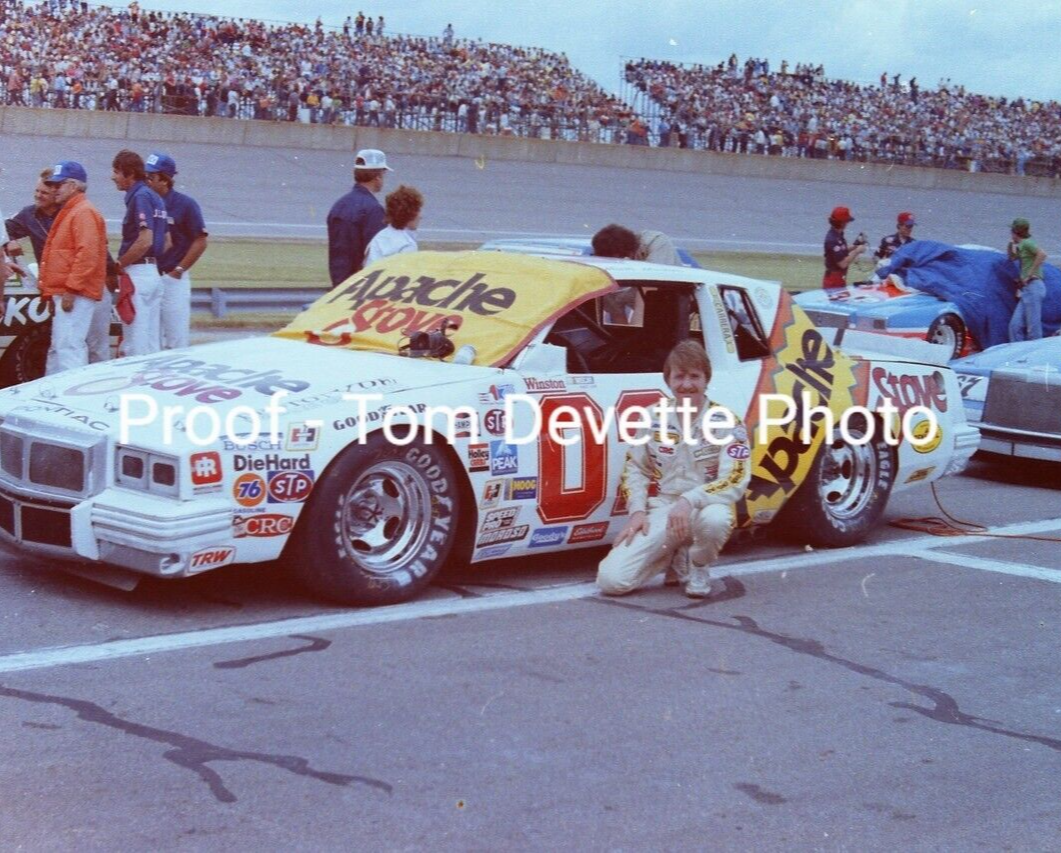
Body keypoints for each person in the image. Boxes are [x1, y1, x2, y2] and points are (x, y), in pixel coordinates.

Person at [596, 340, 751, 598]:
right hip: (665, 509)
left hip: (704, 506)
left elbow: (735, 478)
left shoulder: (727, 422)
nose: (687, 384)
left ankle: (698, 564)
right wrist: (636, 512)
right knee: (611, 581)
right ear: (668, 380)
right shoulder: (652, 417)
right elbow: (635, 468)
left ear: (706, 379)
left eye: (694, 376)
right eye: (679, 376)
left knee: (717, 519)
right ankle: (673, 553)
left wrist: (690, 500)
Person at [37, 161, 108, 374]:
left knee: (69, 347)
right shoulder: (72, 210)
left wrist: (71, 289)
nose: (53, 190)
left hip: (75, 293)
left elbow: (88, 255)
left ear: (73, 185)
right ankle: (51, 395)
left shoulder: (83, 212)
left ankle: (70, 398)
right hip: (66, 292)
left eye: (57, 185)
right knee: (59, 347)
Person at [144, 152, 208, 350]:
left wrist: (178, 270)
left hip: (172, 277)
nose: (146, 181)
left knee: (175, 337)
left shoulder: (185, 204)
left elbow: (201, 241)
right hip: (150, 276)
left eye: (151, 177)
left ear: (164, 180)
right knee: (149, 337)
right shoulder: (145, 201)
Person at [112, 149, 168, 356]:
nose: (113, 177)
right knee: (152, 342)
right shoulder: (156, 197)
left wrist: (120, 264)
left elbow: (145, 240)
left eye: (117, 172)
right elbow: (166, 242)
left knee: (135, 341)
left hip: (138, 274)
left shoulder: (140, 197)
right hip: (153, 273)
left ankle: (135, 383)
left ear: (130, 174)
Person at [326, 148, 390, 287]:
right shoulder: (373, 209)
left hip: (339, 283)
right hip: (361, 286)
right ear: (378, 176)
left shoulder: (339, 205)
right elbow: (376, 253)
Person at [4, 168, 61, 263]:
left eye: (44, 193)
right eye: (37, 191)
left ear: (57, 195)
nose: (38, 196)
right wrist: (9, 242)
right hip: (43, 273)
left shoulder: (70, 214)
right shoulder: (27, 214)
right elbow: (4, 229)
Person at [1007, 218, 1047, 342]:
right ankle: (1017, 351)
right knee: (1015, 326)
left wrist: (1029, 274)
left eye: (1012, 231)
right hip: (1027, 289)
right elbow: (1013, 258)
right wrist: (1010, 246)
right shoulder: (1022, 245)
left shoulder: (1027, 243)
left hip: (1033, 286)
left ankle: (1035, 354)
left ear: (1015, 232)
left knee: (1033, 328)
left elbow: (1042, 254)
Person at [364, 185, 423, 264]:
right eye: (418, 211)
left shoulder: (378, 237)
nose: (420, 216)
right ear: (410, 214)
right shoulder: (407, 245)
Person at [823, 205, 866, 288]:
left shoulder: (837, 234)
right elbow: (843, 263)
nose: (847, 223)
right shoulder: (832, 239)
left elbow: (841, 251)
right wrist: (857, 251)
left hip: (839, 277)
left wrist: (854, 246)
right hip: (834, 279)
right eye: (846, 221)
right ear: (842, 223)